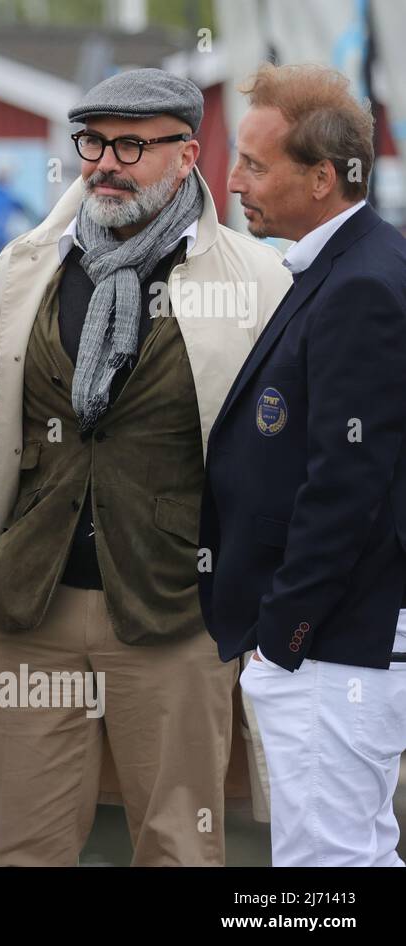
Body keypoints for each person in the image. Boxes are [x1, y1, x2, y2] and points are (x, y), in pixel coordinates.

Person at [0, 68, 292, 865]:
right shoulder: (25, 268)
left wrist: (253, 592)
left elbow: (281, 456)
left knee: (178, 847)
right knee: (19, 846)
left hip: (178, 615)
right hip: (29, 606)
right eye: (92, 141)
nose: (105, 162)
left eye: (131, 144)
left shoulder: (254, 280)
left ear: (187, 154)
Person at [201, 63, 406, 867]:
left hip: (331, 642)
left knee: (329, 866)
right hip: (328, 638)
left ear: (322, 178)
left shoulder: (362, 285)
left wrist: (283, 633)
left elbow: (350, 483)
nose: (235, 178)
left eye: (255, 164)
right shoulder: (347, 264)